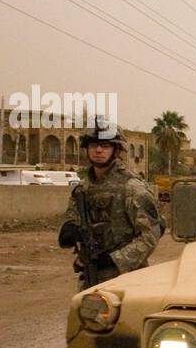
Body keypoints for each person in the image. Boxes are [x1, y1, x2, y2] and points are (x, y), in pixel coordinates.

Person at [58, 120, 162, 289]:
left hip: (128, 279)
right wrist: (70, 229)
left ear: (116, 149)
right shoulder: (82, 189)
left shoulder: (132, 188)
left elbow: (150, 236)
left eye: (105, 145)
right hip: (91, 279)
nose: (98, 150)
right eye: (94, 145)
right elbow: (72, 219)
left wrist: (113, 260)